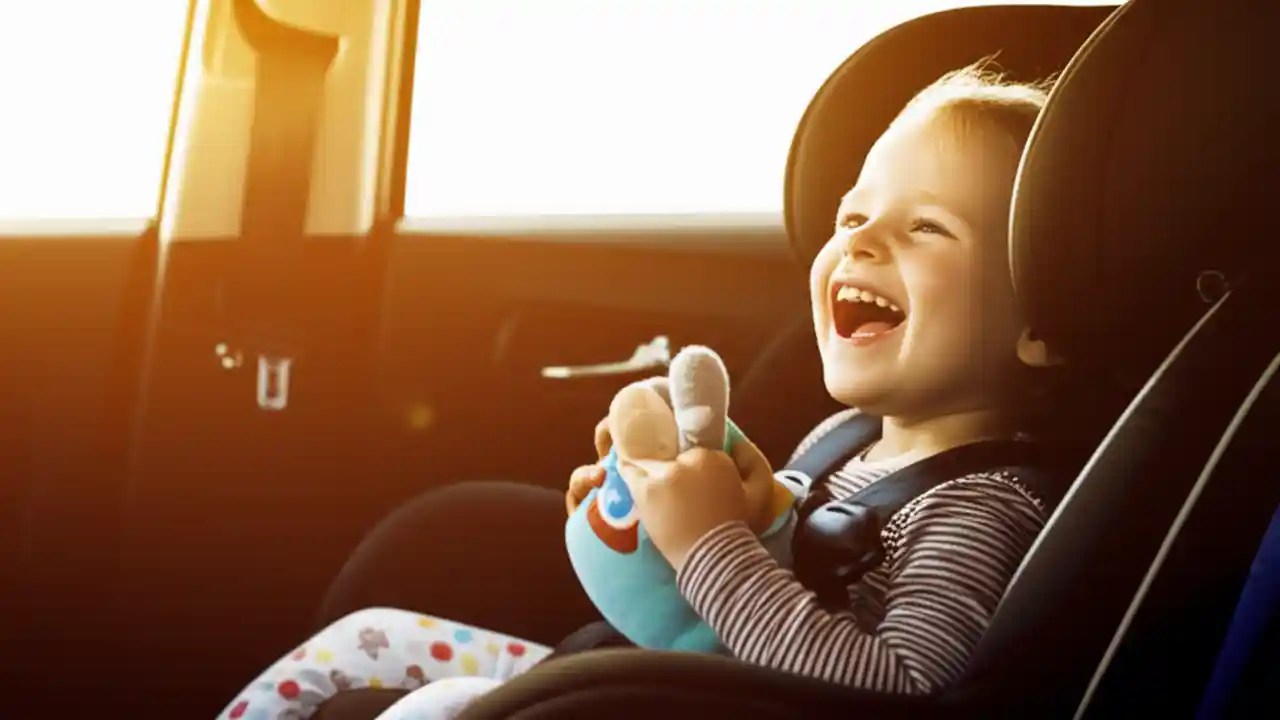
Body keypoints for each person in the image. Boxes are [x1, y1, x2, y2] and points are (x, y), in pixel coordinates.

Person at [216, 59, 1071, 720]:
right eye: (852, 216)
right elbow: (775, 554)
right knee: (364, 644)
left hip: (688, 704)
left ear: (1040, 323)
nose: (863, 240)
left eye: (926, 227)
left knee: (435, 706)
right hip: (651, 676)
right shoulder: (851, 434)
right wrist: (665, 513)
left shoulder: (979, 511)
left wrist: (706, 546)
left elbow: (896, 698)